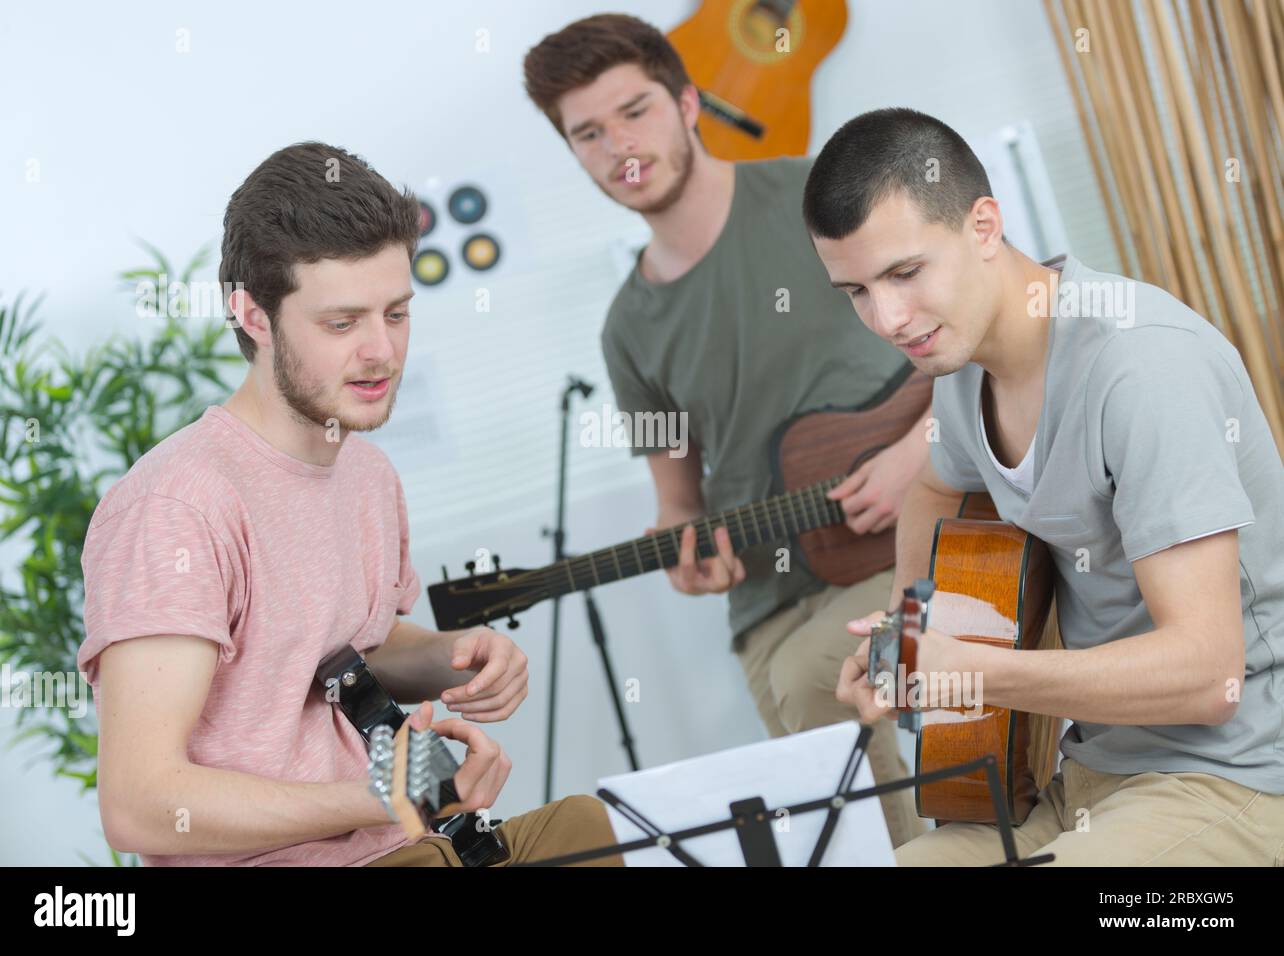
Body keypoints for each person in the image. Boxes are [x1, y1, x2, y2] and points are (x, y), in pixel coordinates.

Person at [77, 142, 620, 867]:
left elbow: (348, 647)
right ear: (252, 314)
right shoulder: (176, 508)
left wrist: (453, 660)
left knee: (587, 829)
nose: (382, 352)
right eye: (342, 323)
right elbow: (141, 806)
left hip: (418, 846)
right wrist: (380, 795)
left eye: (395, 313)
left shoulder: (365, 471)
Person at [804, 107, 1284, 865]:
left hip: (1240, 781)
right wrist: (908, 635)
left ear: (985, 225)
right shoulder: (961, 375)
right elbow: (930, 490)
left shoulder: (1142, 368)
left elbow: (1208, 676)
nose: (889, 317)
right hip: (1085, 775)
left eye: (905, 273)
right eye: (856, 291)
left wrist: (980, 671)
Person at [524, 14, 931, 847]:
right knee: (797, 713)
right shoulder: (628, 331)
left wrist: (917, 453)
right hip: (765, 607)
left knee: (824, 680)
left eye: (635, 112)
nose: (619, 147)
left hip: (906, 544)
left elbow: (981, 334)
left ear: (686, 102)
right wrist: (684, 551)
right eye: (588, 133)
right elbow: (679, 501)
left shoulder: (823, 197)